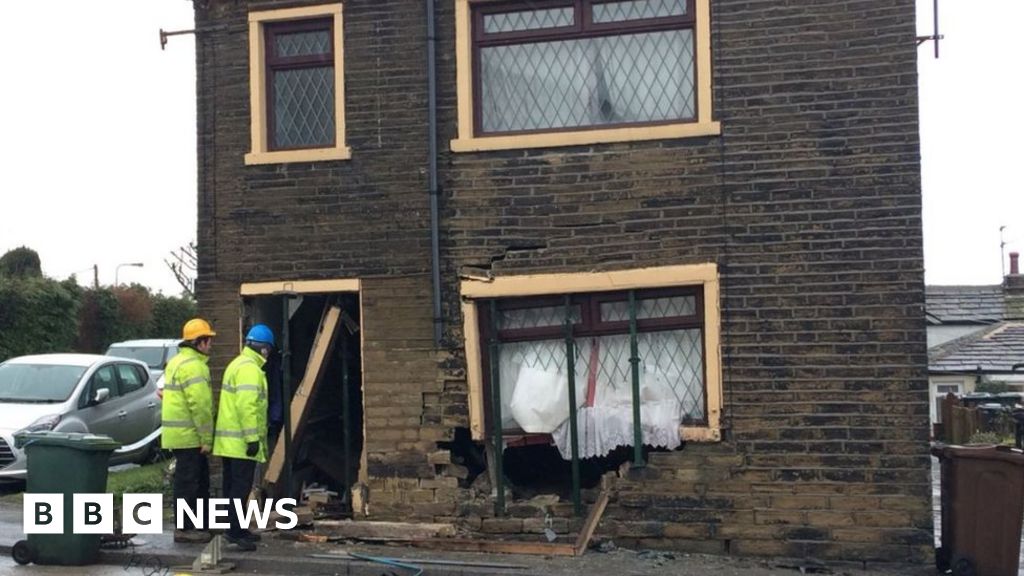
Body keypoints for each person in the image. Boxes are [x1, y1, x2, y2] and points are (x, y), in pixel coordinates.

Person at [214, 324, 274, 551]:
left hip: (229, 443)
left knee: (232, 488)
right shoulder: (250, 369)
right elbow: (247, 406)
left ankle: (236, 528)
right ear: (265, 349)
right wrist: (252, 439)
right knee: (239, 489)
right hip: (241, 443)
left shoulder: (237, 364)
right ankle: (235, 532)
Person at [162, 318, 217, 544]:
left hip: (179, 435)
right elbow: (201, 406)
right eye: (208, 340)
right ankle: (185, 529)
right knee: (190, 483)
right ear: (199, 342)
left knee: (196, 482)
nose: (211, 345)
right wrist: (207, 438)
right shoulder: (195, 366)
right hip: (190, 436)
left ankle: (197, 524)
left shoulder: (176, 362)